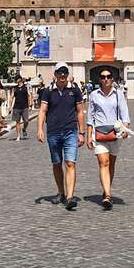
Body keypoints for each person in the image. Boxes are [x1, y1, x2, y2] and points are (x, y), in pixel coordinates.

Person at [37, 62, 86, 210]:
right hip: (53, 132)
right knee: (57, 163)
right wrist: (40, 129)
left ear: (68, 74)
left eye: (65, 72)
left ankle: (70, 197)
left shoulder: (75, 90)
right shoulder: (48, 91)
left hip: (70, 131)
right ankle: (61, 192)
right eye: (59, 72)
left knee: (70, 163)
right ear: (55, 74)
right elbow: (43, 111)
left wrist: (82, 132)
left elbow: (80, 111)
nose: (62, 75)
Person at [86, 68, 131, 210]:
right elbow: (90, 117)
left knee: (111, 164)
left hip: (115, 134)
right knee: (103, 163)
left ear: (112, 78)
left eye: (108, 76)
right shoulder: (94, 95)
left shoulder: (118, 94)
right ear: (100, 79)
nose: (106, 79)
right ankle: (107, 195)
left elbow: (125, 114)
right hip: (99, 133)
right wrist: (88, 136)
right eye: (103, 77)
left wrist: (125, 129)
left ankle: (107, 189)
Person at [11, 76, 31, 140]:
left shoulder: (26, 87)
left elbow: (29, 96)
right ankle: (18, 136)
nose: (16, 80)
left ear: (20, 79)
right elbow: (12, 97)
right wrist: (10, 106)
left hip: (25, 106)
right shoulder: (14, 88)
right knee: (17, 122)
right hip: (16, 107)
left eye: (16, 79)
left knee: (26, 121)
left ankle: (24, 129)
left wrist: (30, 105)